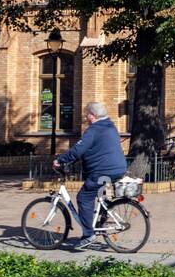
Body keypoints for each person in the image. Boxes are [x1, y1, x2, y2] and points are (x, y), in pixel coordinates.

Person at [53, 101, 128, 251]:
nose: (86, 117)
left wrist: (60, 160)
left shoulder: (93, 130)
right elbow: (96, 148)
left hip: (103, 171)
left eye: (87, 114)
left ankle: (88, 235)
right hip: (118, 168)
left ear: (92, 116)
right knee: (98, 194)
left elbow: (78, 150)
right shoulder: (110, 126)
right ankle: (102, 216)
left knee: (84, 197)